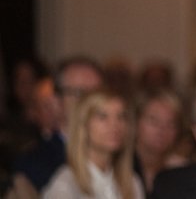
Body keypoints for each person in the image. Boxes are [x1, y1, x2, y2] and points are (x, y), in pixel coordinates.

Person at [11, 56, 104, 192]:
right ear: (58, 100)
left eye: (97, 93)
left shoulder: (118, 158)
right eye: (80, 93)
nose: (90, 102)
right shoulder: (35, 163)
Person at [42, 89, 144, 199]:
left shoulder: (132, 183)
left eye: (121, 117)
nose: (115, 125)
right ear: (84, 125)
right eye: (103, 117)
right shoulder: (66, 184)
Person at [132, 90, 187, 193]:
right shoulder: (117, 167)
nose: (162, 130)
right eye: (153, 121)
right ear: (136, 122)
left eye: (171, 124)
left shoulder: (183, 171)